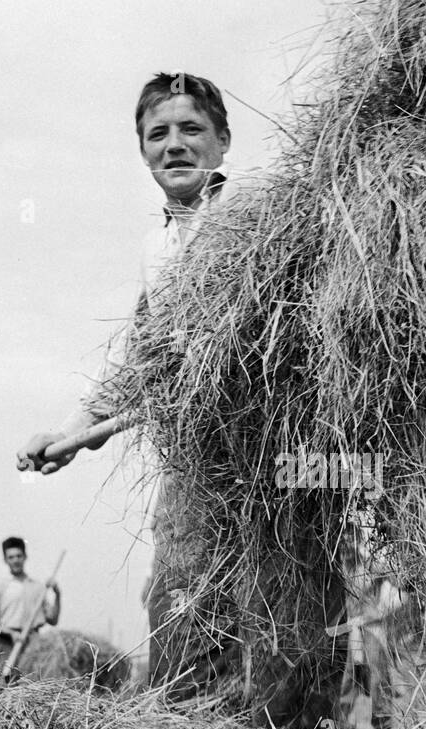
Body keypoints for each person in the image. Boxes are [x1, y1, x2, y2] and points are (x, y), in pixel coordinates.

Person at [16, 71, 252, 695]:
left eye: (191, 129)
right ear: (143, 150)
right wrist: (70, 432)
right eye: (158, 133)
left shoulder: (256, 218)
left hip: (265, 447)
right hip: (193, 456)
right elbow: (141, 361)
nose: (174, 144)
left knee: (276, 611)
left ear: (223, 141)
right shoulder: (157, 244)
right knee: (178, 601)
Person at [0, 536, 61, 670]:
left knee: (33, 683)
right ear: (5, 560)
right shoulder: (1, 587)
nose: (16, 560)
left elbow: (53, 619)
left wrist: (57, 594)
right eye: (11, 557)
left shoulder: (38, 587)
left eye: (19, 556)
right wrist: (11, 633)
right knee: (8, 685)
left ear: (25, 557)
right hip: (7, 644)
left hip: (33, 643)